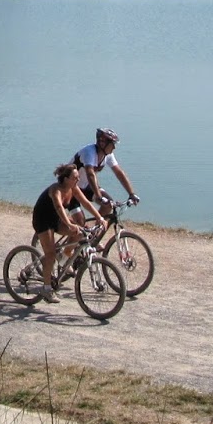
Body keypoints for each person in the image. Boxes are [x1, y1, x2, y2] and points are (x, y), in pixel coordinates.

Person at [31, 163, 97, 303]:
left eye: (78, 177)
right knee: (50, 255)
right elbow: (59, 208)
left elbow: (85, 202)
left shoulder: (73, 188)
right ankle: (46, 289)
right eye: (75, 177)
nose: (78, 180)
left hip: (56, 219)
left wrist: (100, 218)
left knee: (80, 233)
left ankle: (63, 257)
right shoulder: (56, 190)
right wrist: (69, 224)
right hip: (43, 220)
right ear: (66, 179)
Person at [70, 128, 140, 222]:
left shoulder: (108, 154)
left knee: (109, 205)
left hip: (86, 186)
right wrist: (99, 197)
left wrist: (131, 194)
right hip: (71, 188)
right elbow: (90, 174)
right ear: (103, 143)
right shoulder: (89, 152)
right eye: (112, 144)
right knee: (80, 223)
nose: (114, 148)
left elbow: (119, 173)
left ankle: (97, 229)